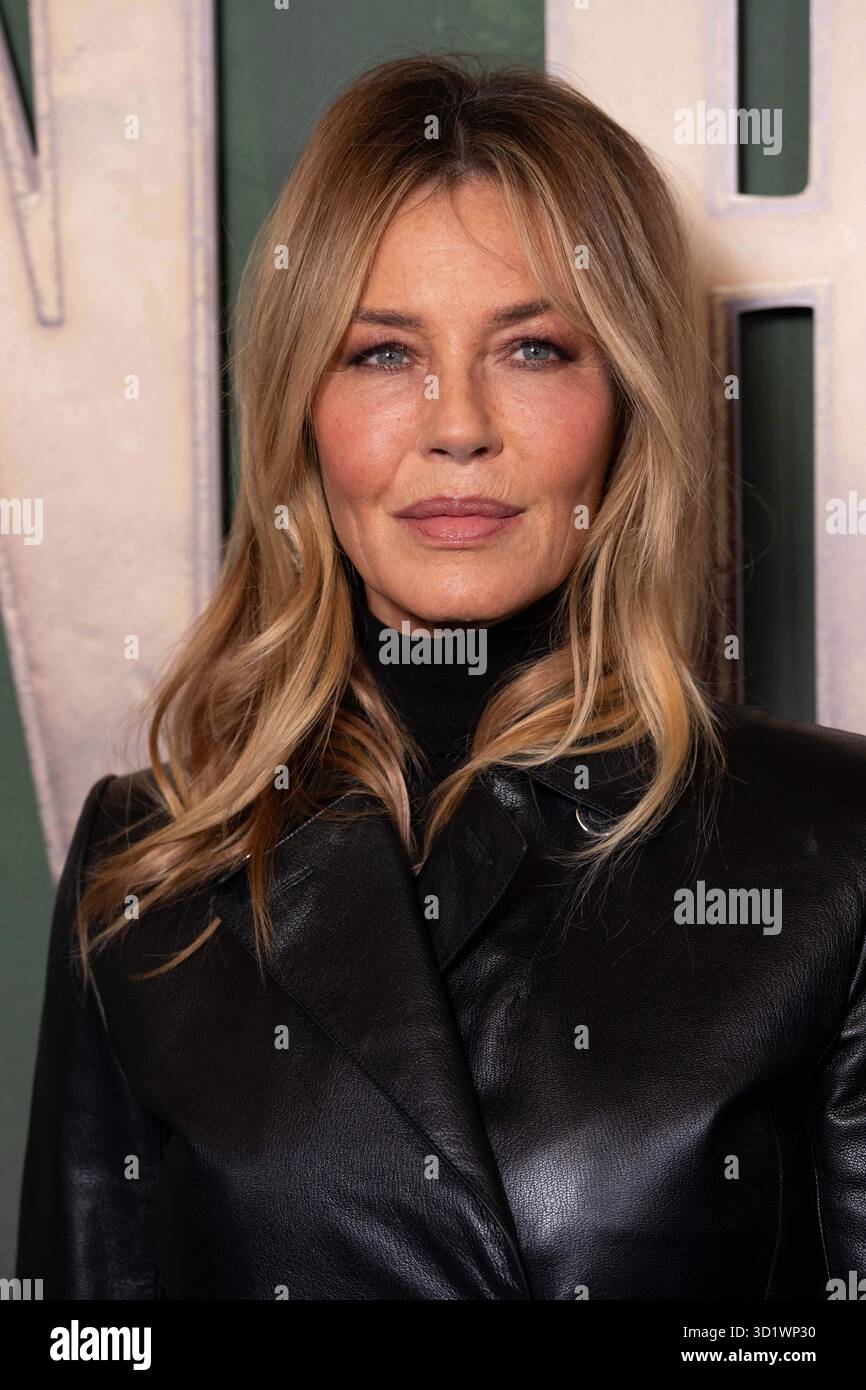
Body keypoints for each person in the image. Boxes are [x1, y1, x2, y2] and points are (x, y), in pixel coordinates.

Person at [16, 54, 866, 1301]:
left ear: (625, 403)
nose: (455, 421)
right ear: (299, 408)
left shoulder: (829, 844)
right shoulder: (145, 868)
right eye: (379, 354)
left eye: (531, 348)